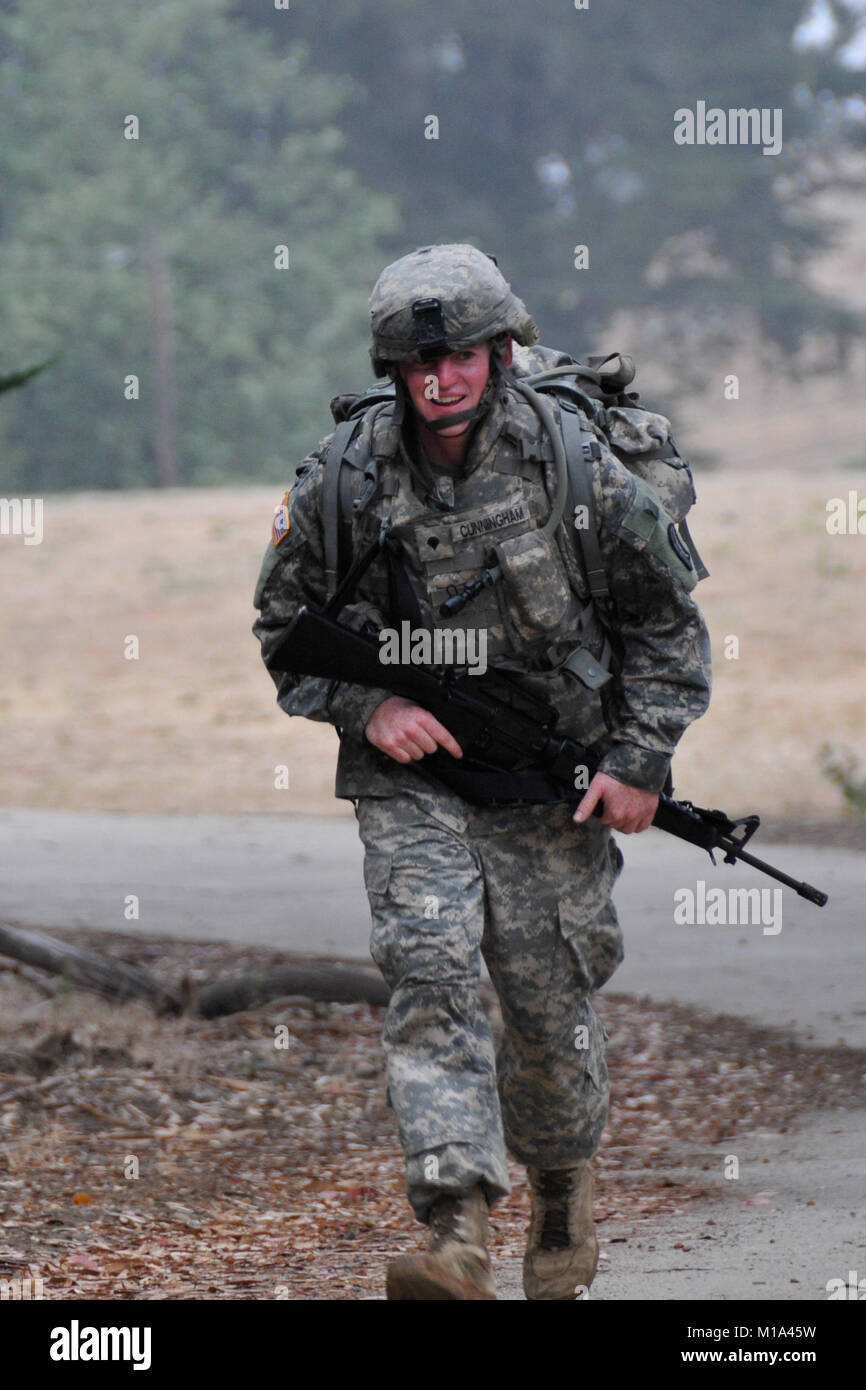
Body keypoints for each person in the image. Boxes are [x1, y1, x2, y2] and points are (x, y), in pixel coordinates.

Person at [252, 243, 712, 1300]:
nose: (441, 380)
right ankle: (454, 1226)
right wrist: (371, 706)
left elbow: (665, 627)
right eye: (420, 363)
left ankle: (559, 1186)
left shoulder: (575, 466)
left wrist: (638, 760)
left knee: (547, 1004)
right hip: (412, 779)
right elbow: (283, 626)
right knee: (430, 969)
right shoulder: (344, 477)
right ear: (392, 369)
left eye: (460, 356)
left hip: (553, 781)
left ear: (500, 352)